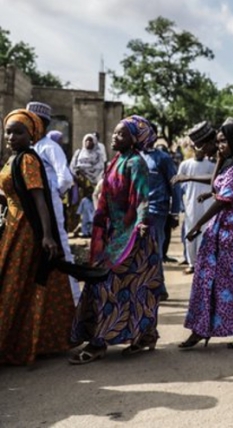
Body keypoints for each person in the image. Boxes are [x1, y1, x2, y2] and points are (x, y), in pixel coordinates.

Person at [69, 115, 162, 364]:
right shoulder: (115, 162)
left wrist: (141, 222)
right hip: (115, 234)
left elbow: (143, 196)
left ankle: (99, 343)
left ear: (134, 140)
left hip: (135, 236)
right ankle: (145, 335)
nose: (114, 136)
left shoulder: (136, 163)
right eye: (115, 132)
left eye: (122, 134)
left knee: (118, 286)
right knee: (118, 285)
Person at [0, 110, 75, 365]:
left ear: (31, 134)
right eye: (8, 131)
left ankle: (11, 342)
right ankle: (18, 340)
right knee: (17, 285)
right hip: (10, 227)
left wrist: (46, 235)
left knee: (14, 284)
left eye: (18, 132)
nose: (11, 136)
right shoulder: (12, 159)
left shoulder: (28, 160)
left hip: (24, 230)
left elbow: (39, 199)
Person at [180, 121, 233, 350]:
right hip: (220, 232)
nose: (219, 145)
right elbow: (216, 188)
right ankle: (199, 328)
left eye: (224, 141)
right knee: (205, 280)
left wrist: (197, 224)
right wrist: (218, 159)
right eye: (218, 141)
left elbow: (224, 199)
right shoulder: (228, 164)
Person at [25, 101, 79, 305]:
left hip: (49, 204)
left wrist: (52, 195)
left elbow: (65, 177)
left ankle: (76, 302)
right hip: (37, 206)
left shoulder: (49, 147)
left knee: (62, 249)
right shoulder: (33, 146)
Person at [141, 129, 182, 300]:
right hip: (137, 212)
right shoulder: (136, 156)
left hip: (157, 210)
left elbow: (175, 184)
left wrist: (175, 212)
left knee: (155, 248)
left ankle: (158, 287)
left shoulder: (162, 158)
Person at [173, 122, 217, 274]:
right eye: (197, 146)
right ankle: (192, 263)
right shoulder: (185, 165)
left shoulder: (213, 163)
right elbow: (180, 187)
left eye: (202, 146)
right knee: (191, 231)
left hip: (209, 203)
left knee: (205, 232)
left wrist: (191, 179)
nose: (201, 150)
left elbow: (215, 181)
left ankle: (203, 262)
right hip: (191, 202)